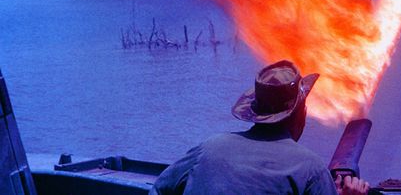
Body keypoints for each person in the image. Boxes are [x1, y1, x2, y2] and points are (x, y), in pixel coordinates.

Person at [150, 60, 370, 195]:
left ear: (253, 110)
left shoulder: (208, 148)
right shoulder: (310, 169)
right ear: (301, 113)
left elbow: (160, 188)